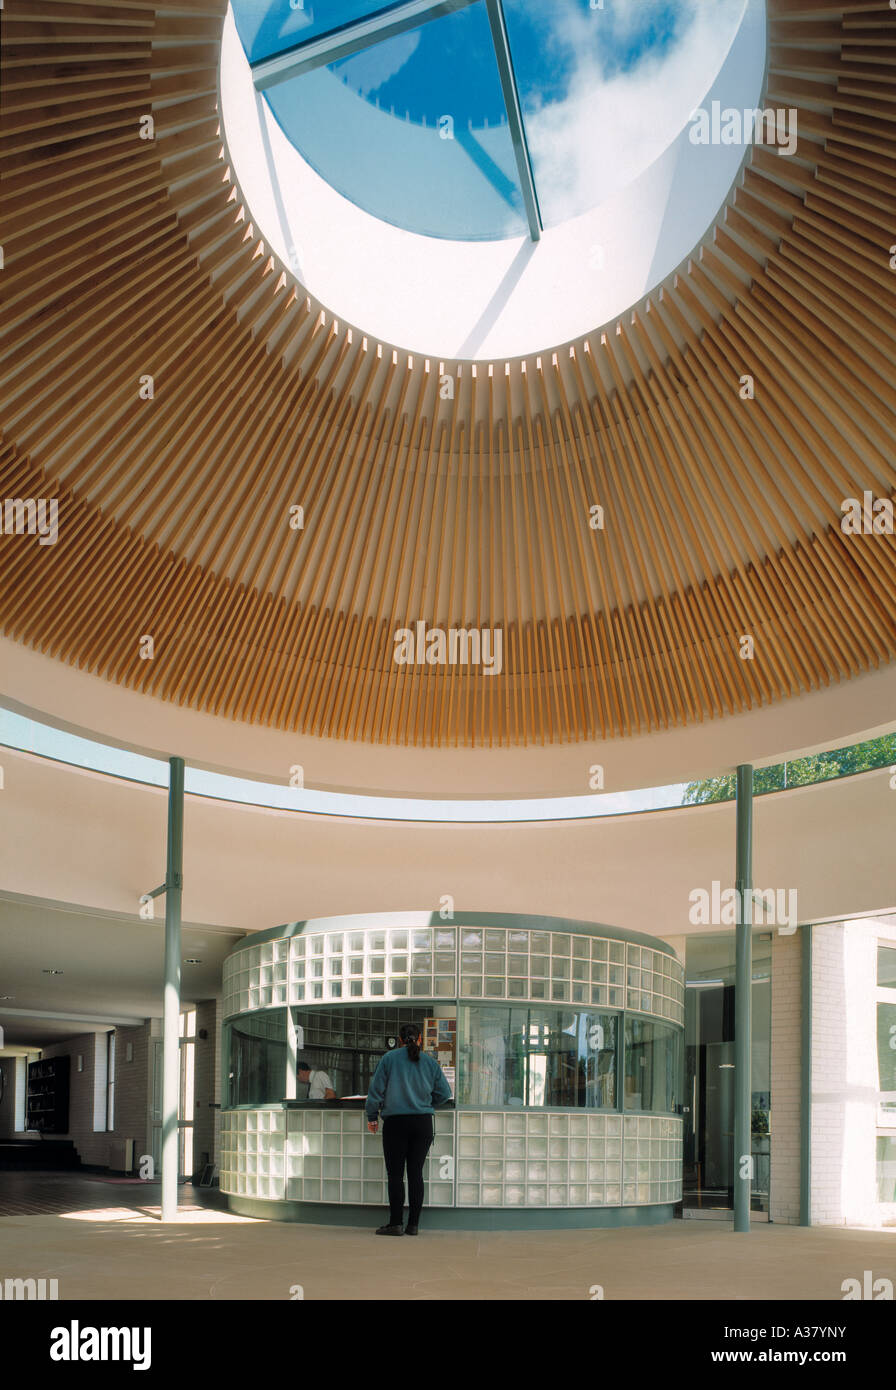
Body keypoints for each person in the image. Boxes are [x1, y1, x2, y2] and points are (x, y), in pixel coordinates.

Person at [366, 1022, 453, 1236]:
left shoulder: (389, 1059)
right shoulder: (430, 1062)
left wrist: (372, 1116)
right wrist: (425, 1102)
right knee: (416, 1174)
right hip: (422, 1123)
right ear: (420, 1039)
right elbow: (444, 1093)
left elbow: (375, 1091)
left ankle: (396, 1224)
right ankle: (413, 1225)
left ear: (400, 1038)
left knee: (395, 1174)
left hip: (396, 1124)